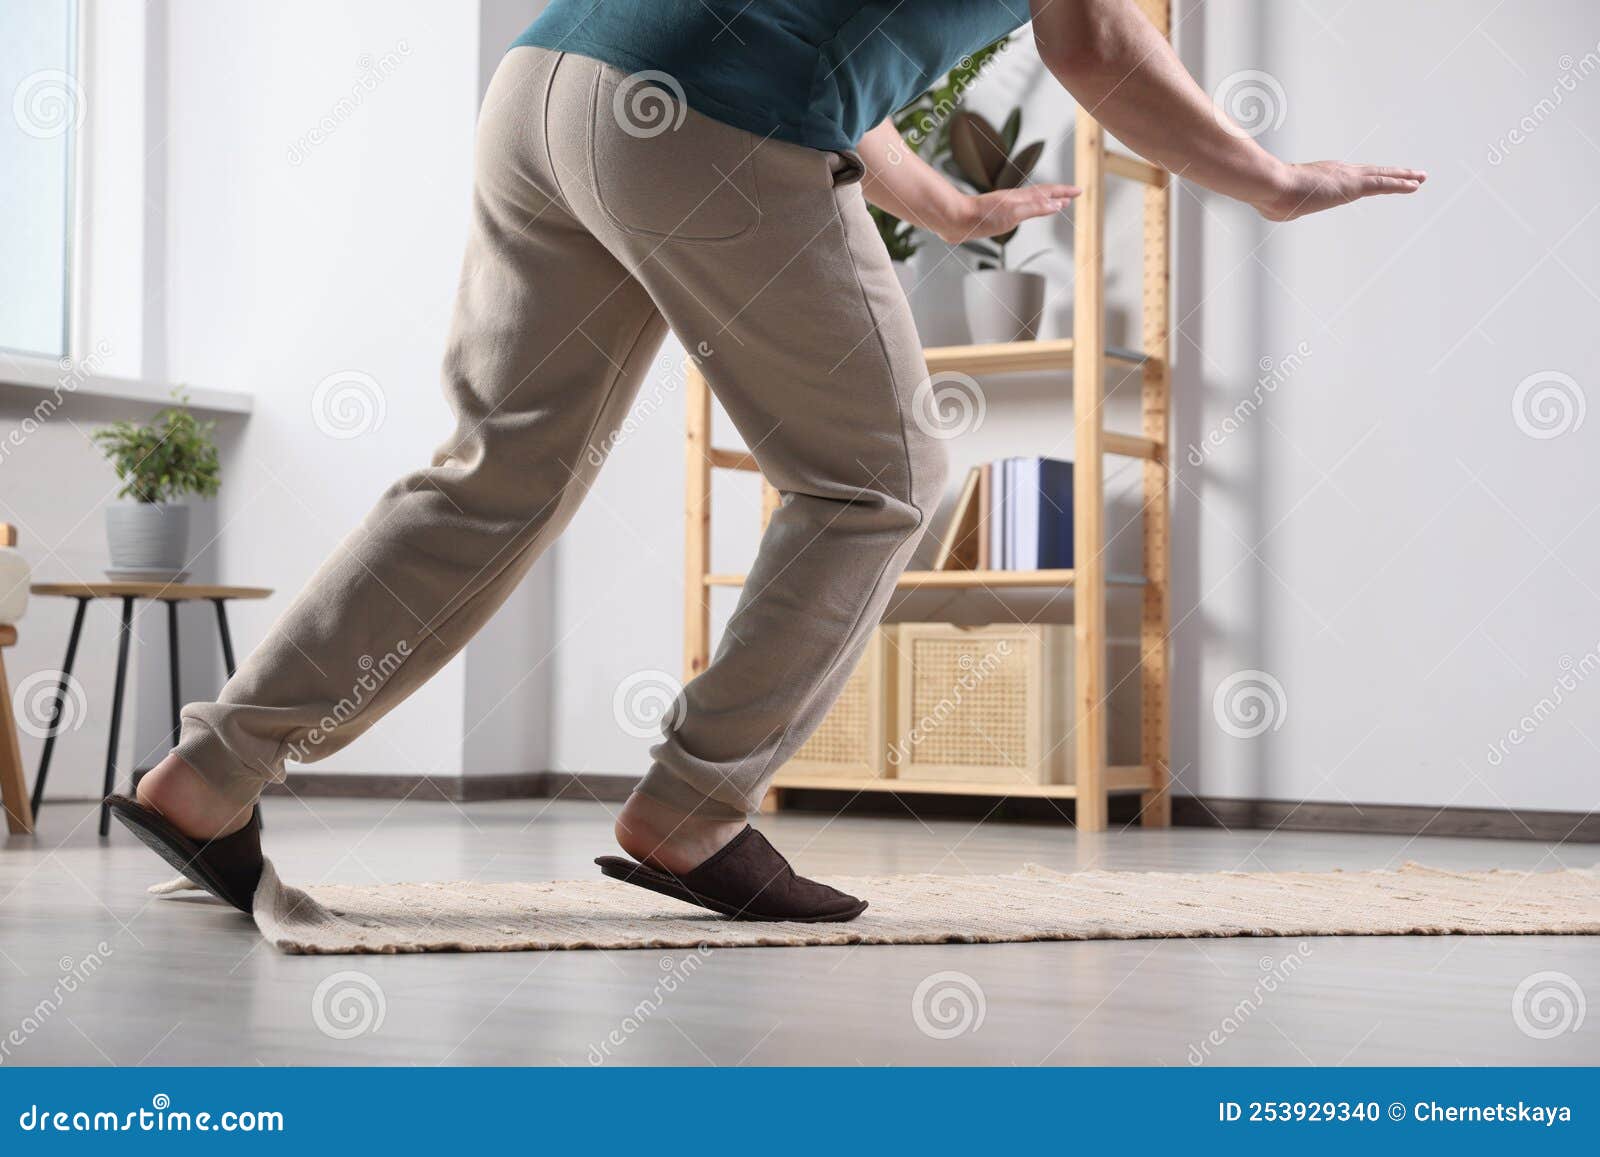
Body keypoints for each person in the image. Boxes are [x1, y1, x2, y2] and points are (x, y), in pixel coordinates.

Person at [113, 0, 1424, 921]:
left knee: (494, 469)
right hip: (702, 119)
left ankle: (212, 769)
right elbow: (1094, 39)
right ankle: (691, 808)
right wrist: (1264, 177)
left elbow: (793, 39)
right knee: (885, 476)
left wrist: (954, 207)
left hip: (551, 84)